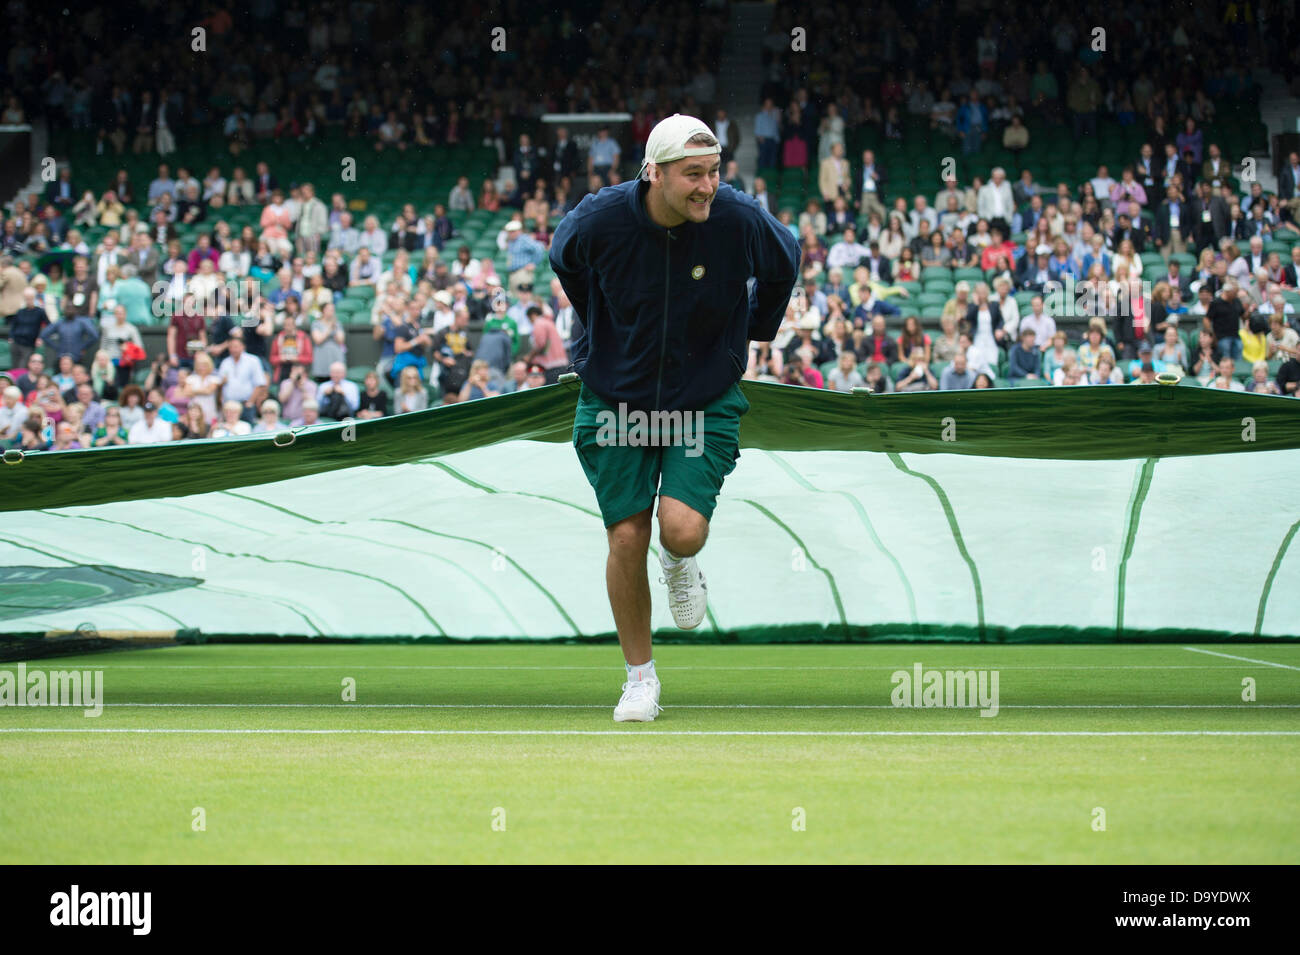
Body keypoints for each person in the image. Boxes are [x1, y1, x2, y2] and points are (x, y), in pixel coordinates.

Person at [549, 113, 799, 722]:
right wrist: (596, 326)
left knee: (680, 531)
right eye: (692, 174)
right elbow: (564, 258)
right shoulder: (598, 219)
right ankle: (640, 680)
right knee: (626, 536)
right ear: (654, 174)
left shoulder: (738, 217)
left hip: (703, 398)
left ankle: (679, 560)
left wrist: (756, 328)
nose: (708, 186)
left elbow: (784, 259)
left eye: (713, 172)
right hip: (615, 399)